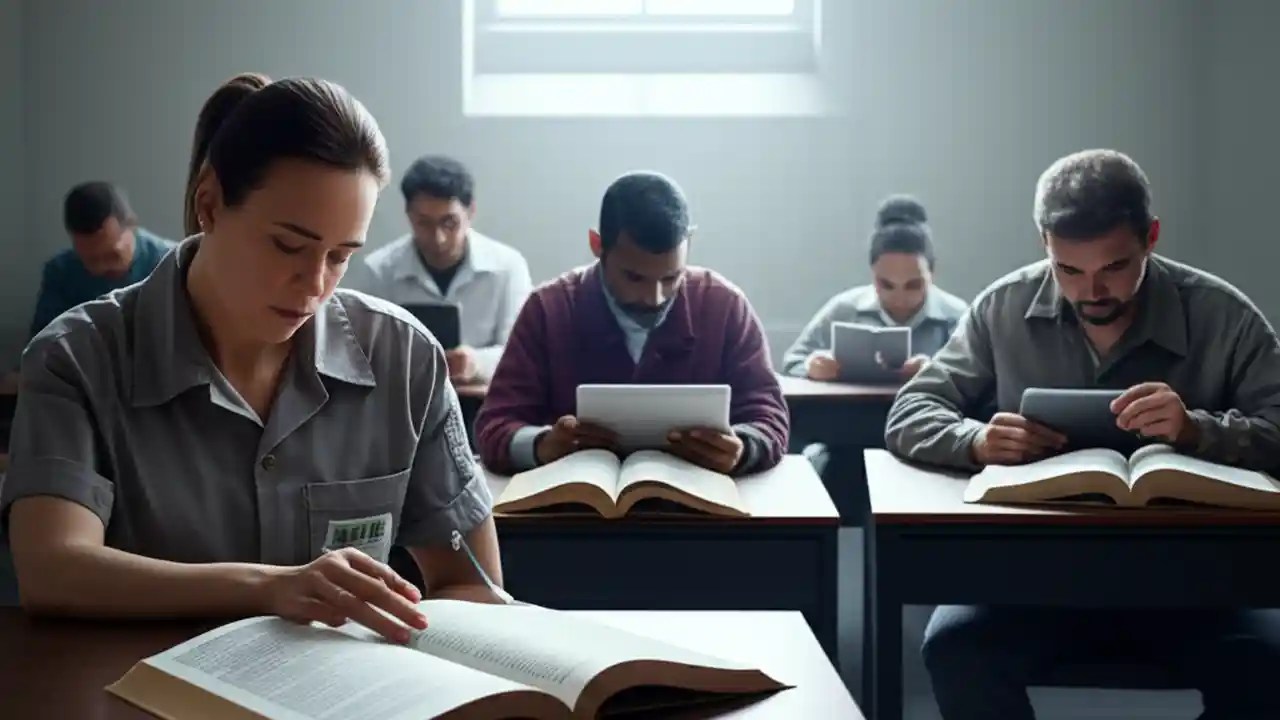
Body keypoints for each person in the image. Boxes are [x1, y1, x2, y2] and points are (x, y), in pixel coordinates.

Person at [1, 75, 504, 644]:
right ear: (209, 203)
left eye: (340, 256)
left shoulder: (405, 358)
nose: (314, 285)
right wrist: (267, 588)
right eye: (288, 246)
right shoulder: (75, 358)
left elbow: (475, 587)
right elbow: (52, 569)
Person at [885, 149, 1280, 720]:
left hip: (1194, 586)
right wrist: (975, 441)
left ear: (1151, 237)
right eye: (1068, 270)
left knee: (1261, 665)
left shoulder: (1223, 315)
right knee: (956, 650)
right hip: (1028, 581)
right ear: (1044, 242)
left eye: (1114, 267)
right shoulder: (1003, 308)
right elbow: (911, 410)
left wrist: (1199, 431)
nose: (1092, 291)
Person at [474, 171, 789, 476]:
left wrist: (742, 449)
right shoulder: (548, 309)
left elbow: (770, 419)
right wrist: (542, 446)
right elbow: (493, 428)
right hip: (575, 505)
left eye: (671, 277)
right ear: (597, 245)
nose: (654, 297)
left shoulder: (724, 305)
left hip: (700, 506)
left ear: (689, 243)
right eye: (634, 277)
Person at [359, 156, 533, 385]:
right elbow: (366, 351)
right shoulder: (380, 270)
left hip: (483, 396)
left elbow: (523, 353)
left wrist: (475, 362)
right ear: (409, 214)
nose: (438, 238)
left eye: (449, 223)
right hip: (404, 396)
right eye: (424, 223)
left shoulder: (508, 267)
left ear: (471, 212)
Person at [782, 195, 967, 381]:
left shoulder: (958, 317)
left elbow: (978, 380)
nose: (899, 297)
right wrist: (810, 367)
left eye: (913, 285)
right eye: (886, 285)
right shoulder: (844, 310)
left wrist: (936, 374)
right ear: (872, 273)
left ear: (932, 274)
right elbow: (791, 362)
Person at [29, 182, 174, 337]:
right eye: (91, 260)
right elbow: (44, 340)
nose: (102, 267)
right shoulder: (60, 273)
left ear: (132, 225)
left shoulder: (172, 264)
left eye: (113, 255)